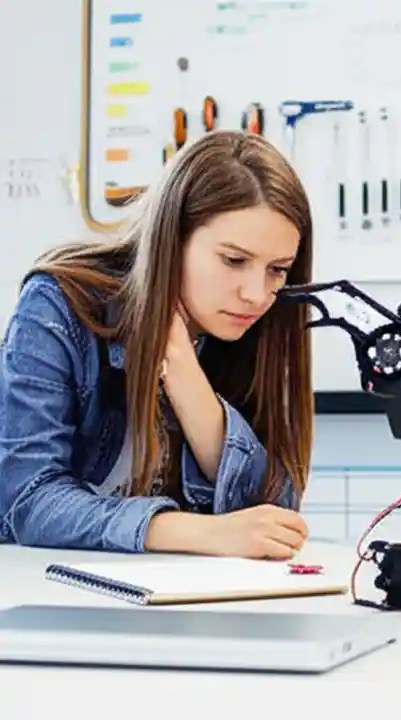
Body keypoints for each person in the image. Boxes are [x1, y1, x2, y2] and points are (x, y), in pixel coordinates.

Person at [0, 130, 316, 558]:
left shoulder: (255, 329)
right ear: (172, 238)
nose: (257, 294)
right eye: (234, 260)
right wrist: (201, 533)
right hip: (47, 593)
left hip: (174, 600)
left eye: (277, 270)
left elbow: (274, 515)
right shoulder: (59, 304)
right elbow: (28, 499)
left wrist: (185, 376)